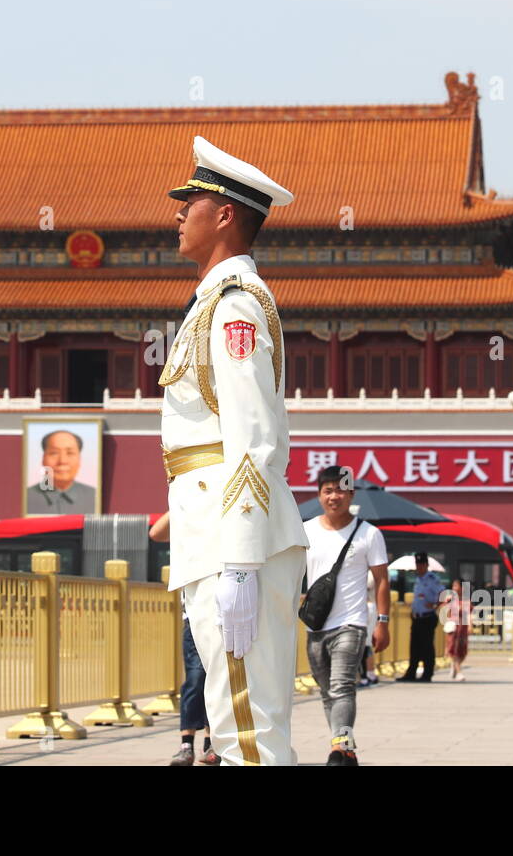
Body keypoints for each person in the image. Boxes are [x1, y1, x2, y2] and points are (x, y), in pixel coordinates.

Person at [159, 136, 309, 765]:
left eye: (189, 201)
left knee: (247, 728)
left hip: (232, 541)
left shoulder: (232, 307)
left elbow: (251, 436)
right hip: (217, 536)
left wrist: (241, 562)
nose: (177, 214)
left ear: (222, 215)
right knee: (242, 724)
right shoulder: (214, 304)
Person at [302, 466, 391, 765]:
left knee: (342, 685)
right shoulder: (306, 531)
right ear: (319, 495)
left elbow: (381, 580)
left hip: (351, 623)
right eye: (327, 490)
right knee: (327, 691)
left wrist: (383, 623)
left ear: (351, 493)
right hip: (316, 624)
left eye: (340, 490)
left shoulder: (369, 533)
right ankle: (346, 748)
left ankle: (337, 749)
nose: (333, 496)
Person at [152, 512, 219, 765]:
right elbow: (156, 533)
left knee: (216, 681)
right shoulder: (186, 517)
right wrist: (180, 497)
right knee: (194, 680)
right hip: (193, 617)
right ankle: (186, 745)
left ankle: (210, 744)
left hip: (222, 617)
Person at [26, 429, 96, 514]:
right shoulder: (25, 497)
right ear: (43, 459)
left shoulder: (96, 497)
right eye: (54, 453)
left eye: (70, 453)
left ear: (80, 459)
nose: (62, 461)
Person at [398, 553, 442, 682]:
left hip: (427, 617)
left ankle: (427, 674)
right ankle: (411, 672)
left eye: (421, 564)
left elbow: (443, 594)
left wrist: (435, 605)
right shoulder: (417, 579)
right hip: (417, 617)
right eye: (417, 564)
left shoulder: (432, 579)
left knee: (427, 647)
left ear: (426, 565)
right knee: (414, 646)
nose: (419, 567)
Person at [445, 578, 471, 682]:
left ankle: (455, 666)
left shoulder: (466, 600)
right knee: (454, 650)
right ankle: (459, 672)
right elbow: (445, 613)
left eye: (456, 586)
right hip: (453, 627)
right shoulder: (449, 598)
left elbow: (468, 614)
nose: (454, 588)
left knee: (463, 651)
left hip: (462, 627)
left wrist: (470, 625)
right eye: (453, 586)